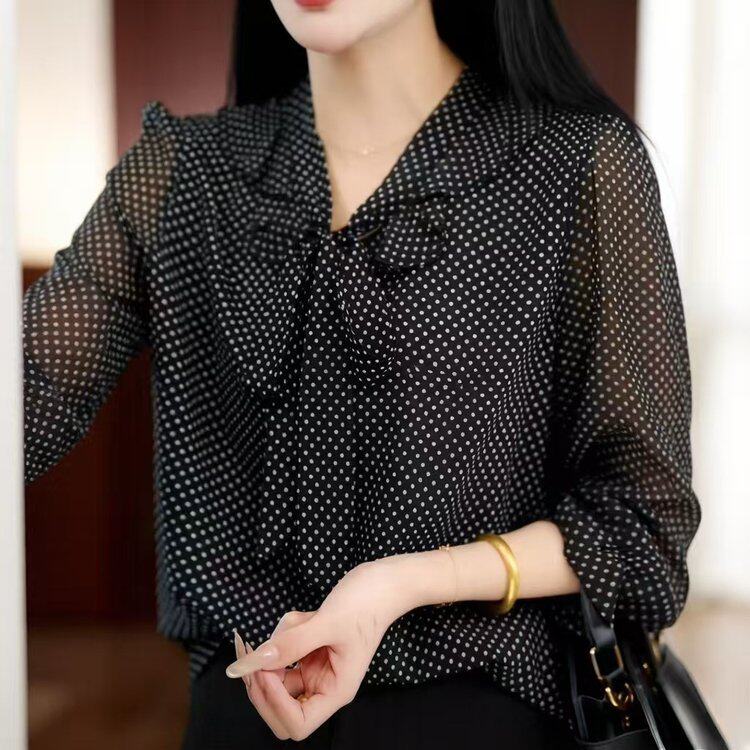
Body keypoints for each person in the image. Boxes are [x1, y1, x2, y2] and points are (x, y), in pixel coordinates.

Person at [22, 0, 702, 747]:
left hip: (484, 719)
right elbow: (27, 401)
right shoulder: (182, 172)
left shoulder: (572, 162)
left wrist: (405, 584)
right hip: (241, 721)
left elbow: (641, 523)